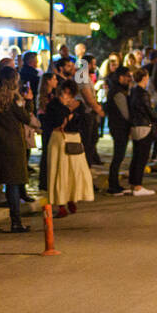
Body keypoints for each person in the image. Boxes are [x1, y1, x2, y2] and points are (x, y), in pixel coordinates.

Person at [0, 66, 36, 232]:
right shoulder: (14, 101)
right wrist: (28, 102)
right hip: (13, 146)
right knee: (13, 184)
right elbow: (26, 118)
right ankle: (16, 222)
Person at [44, 79, 94, 217]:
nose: (67, 96)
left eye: (70, 93)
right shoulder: (54, 104)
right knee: (59, 172)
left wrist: (72, 114)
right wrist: (67, 110)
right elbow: (55, 123)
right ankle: (60, 204)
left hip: (74, 138)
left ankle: (73, 198)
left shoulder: (79, 105)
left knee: (75, 171)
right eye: (64, 93)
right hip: (59, 139)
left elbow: (82, 123)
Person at [126, 67, 157, 196]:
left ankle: (133, 183)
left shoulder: (132, 92)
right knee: (142, 157)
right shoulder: (143, 93)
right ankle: (138, 186)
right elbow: (148, 110)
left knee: (136, 155)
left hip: (134, 126)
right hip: (144, 126)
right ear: (145, 78)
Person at [104, 66, 133, 196]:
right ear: (121, 77)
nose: (130, 79)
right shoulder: (118, 93)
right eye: (128, 76)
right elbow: (125, 113)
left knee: (119, 156)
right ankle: (113, 185)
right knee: (118, 156)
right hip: (119, 127)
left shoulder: (117, 91)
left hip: (118, 127)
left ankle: (114, 184)